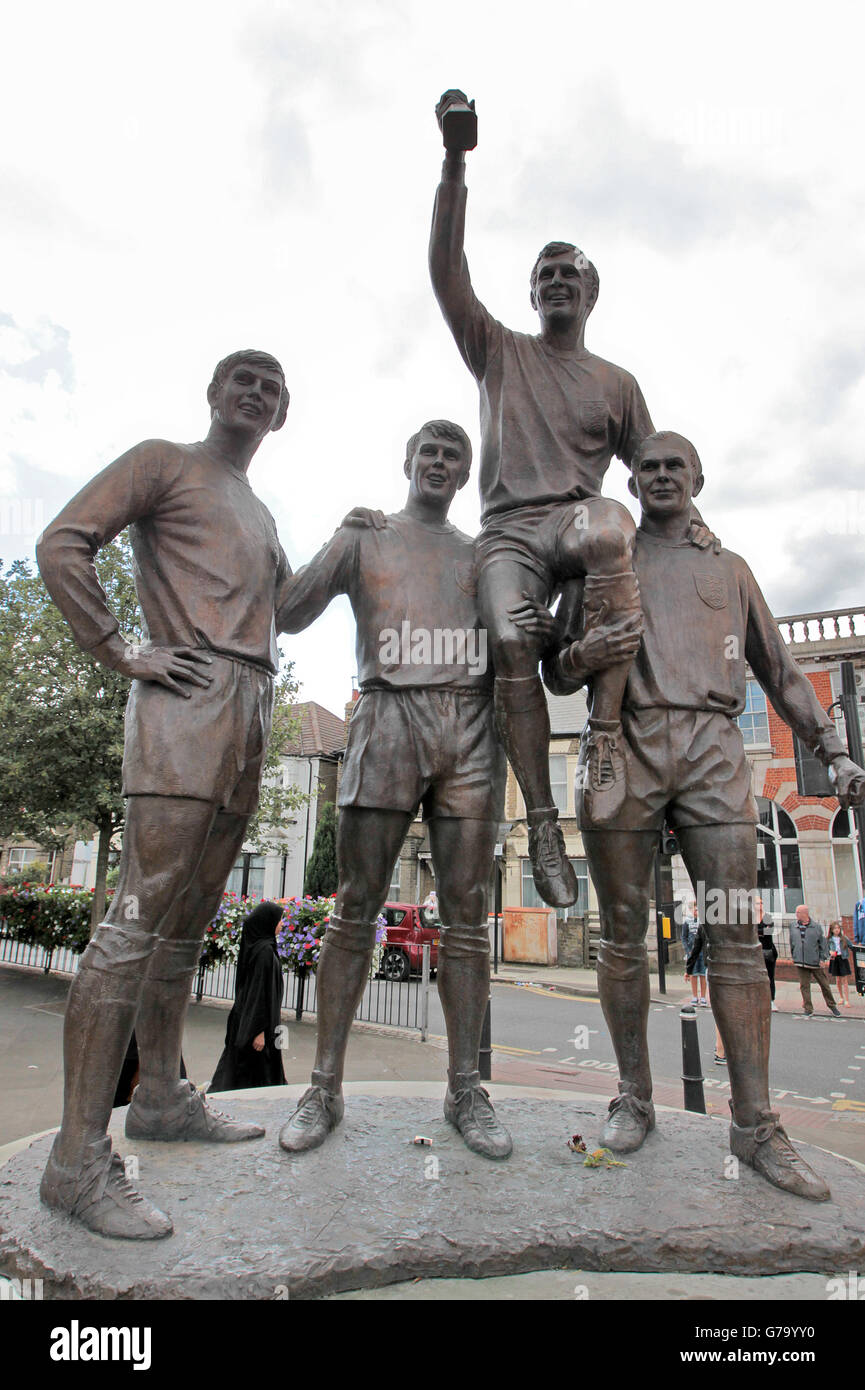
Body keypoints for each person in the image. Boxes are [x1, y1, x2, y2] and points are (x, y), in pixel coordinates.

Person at [538, 429, 865, 1200]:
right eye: (646, 467)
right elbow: (551, 664)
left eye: (672, 467)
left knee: (734, 938)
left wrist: (833, 747)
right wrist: (587, 655)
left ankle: (754, 1126)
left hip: (714, 749)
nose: (658, 477)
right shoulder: (601, 559)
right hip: (622, 744)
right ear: (633, 480)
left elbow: (781, 671)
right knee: (621, 931)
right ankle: (632, 1097)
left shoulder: (730, 569)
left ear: (698, 479)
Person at [428, 90, 716, 907]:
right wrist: (454, 163)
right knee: (512, 643)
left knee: (611, 527)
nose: (557, 282)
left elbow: (655, 472)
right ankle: (546, 826)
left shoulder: (617, 383)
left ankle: (601, 727)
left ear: (591, 294)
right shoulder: (498, 350)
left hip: (575, 522)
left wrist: (697, 531)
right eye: (544, 275)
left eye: (570, 274)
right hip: (509, 536)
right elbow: (445, 273)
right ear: (530, 296)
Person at [35, 351, 292, 1239]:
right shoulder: (162, 461)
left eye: (271, 386)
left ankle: (159, 1097)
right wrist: (120, 648)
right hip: (184, 703)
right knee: (136, 920)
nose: (255, 392)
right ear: (213, 394)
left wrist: (356, 536)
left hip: (253, 704)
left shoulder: (257, 511)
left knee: (187, 923)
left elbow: (286, 608)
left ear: (282, 415)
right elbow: (62, 542)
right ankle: (75, 1161)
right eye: (241, 378)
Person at [276, 420, 532, 1160]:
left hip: (468, 727)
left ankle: (465, 1088)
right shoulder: (367, 535)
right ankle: (322, 1085)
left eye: (454, 456)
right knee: (355, 907)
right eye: (430, 452)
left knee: (463, 916)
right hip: (387, 714)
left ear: (464, 474)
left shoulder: (483, 553)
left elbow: (525, 636)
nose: (440, 464)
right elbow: (289, 613)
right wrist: (335, 534)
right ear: (408, 462)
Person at [210, 902, 288, 1090]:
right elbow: (257, 992)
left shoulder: (262, 948)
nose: (282, 924)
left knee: (243, 1068)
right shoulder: (264, 953)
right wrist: (258, 1030)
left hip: (253, 1021)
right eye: (279, 920)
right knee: (250, 1071)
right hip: (257, 1026)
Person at [790, 905, 840, 1018]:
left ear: (805, 913)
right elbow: (791, 941)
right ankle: (808, 1008)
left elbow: (823, 944)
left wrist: (822, 958)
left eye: (798, 912)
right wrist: (794, 955)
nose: (796, 914)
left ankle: (832, 1005)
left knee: (824, 984)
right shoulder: (793, 926)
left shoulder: (816, 927)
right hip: (800, 961)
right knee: (804, 986)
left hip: (814, 961)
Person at [681, 900, 708, 1006]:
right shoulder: (687, 921)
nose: (696, 910)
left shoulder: (703, 922)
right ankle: (694, 996)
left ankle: (703, 997)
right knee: (692, 974)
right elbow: (683, 937)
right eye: (694, 908)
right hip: (692, 952)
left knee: (702, 974)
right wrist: (688, 950)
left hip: (702, 952)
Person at [755, 896, 779, 1012]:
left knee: (769, 977)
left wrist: (758, 932)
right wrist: (761, 932)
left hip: (768, 952)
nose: (760, 905)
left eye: (761, 903)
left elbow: (768, 932)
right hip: (754, 952)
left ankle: (771, 1000)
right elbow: (750, 933)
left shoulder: (767, 917)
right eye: (757, 903)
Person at [826, 919, 855, 1009]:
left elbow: (852, 947)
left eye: (838, 928)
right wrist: (830, 952)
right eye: (835, 928)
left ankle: (847, 1000)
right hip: (835, 959)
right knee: (838, 980)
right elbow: (825, 950)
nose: (837, 930)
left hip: (843, 959)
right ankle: (841, 997)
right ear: (831, 930)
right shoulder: (829, 940)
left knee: (844, 980)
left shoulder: (844, 938)